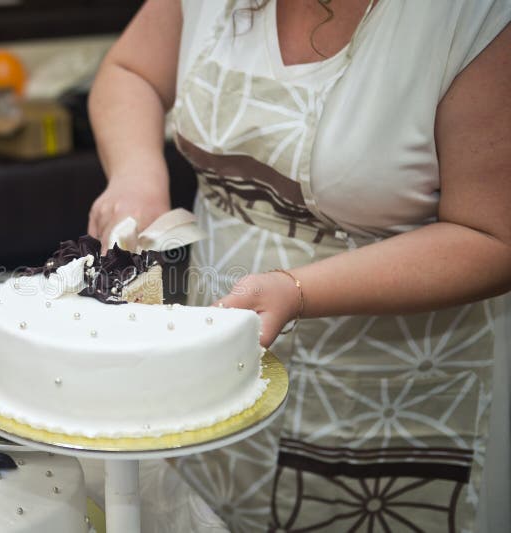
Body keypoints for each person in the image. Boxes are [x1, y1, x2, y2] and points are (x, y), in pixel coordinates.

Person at [87, 0, 511, 531]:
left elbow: (493, 236)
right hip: (218, 384)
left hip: (387, 401)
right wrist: (136, 173)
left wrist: (296, 289)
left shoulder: (474, 17)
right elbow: (132, 72)